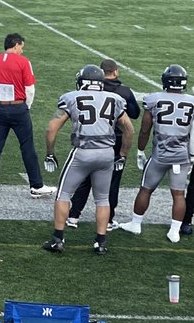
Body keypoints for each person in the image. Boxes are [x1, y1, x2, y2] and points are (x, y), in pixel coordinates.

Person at [42, 65, 133, 256]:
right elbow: (129, 128)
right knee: (102, 198)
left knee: (63, 194)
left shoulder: (72, 97)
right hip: (107, 153)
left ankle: (58, 239)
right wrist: (123, 153)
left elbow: (52, 128)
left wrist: (50, 152)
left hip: (83, 152)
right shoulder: (115, 99)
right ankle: (100, 242)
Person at [118, 65, 194, 243]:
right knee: (178, 194)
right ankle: (174, 231)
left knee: (146, 189)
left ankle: (136, 224)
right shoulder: (192, 101)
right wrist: (192, 155)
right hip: (181, 155)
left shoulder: (153, 99)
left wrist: (140, 150)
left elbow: (145, 130)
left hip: (160, 155)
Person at [66, 59, 140, 228]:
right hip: (116, 139)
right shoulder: (124, 92)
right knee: (112, 181)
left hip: (91, 136)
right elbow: (135, 114)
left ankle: (74, 215)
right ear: (115, 71)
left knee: (84, 178)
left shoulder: (88, 91)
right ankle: (108, 220)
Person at [0, 33, 54, 198]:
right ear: (15, 45)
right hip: (18, 108)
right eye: (21, 46)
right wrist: (25, 106)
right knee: (27, 147)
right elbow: (30, 88)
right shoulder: (23, 62)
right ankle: (36, 185)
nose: (22, 50)